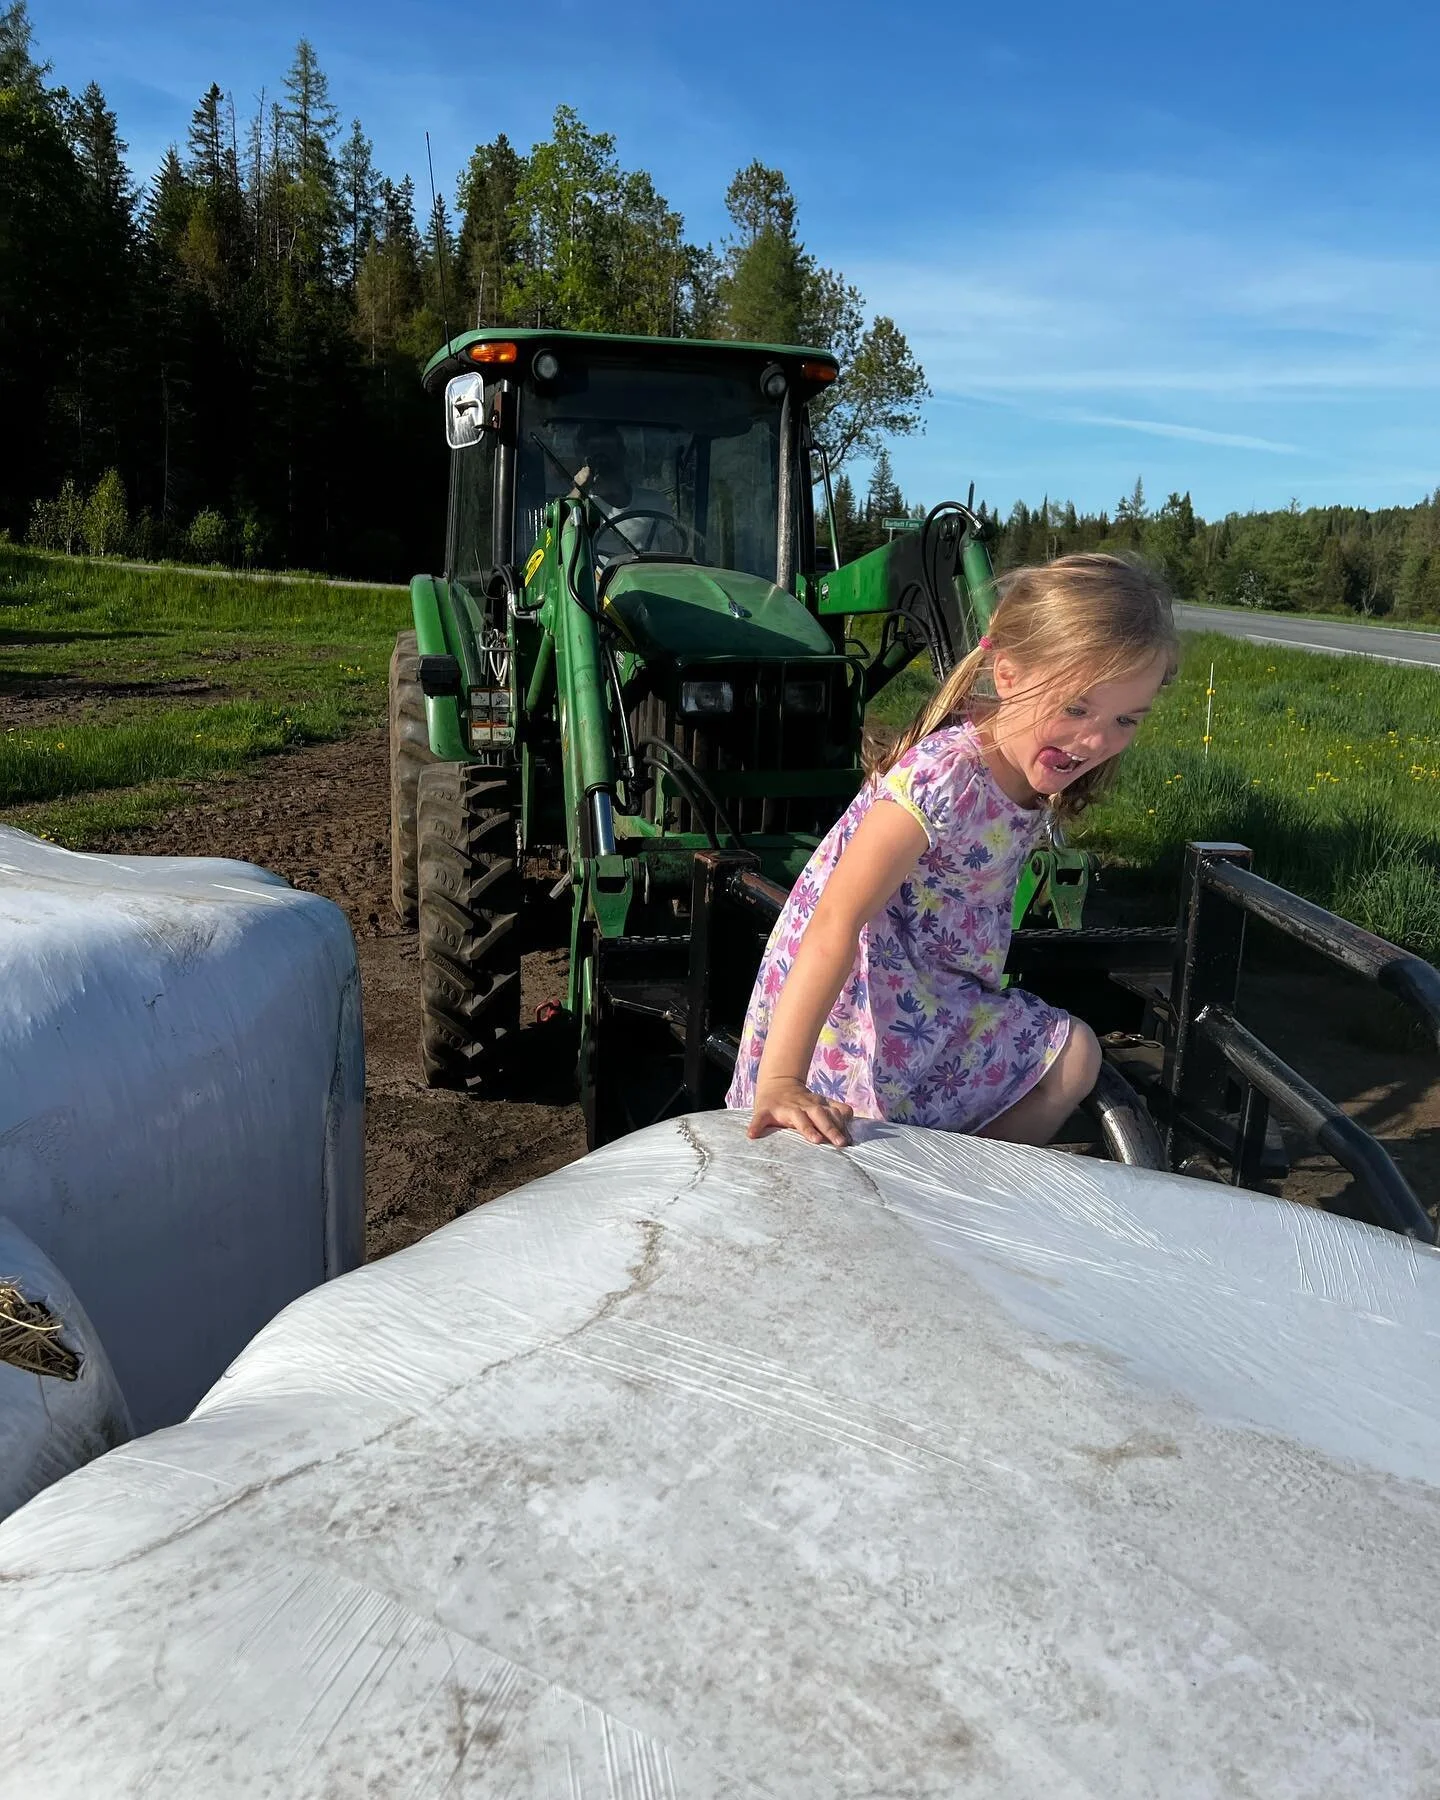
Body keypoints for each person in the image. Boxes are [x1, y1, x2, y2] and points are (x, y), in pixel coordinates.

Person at [726, 552, 1179, 1149]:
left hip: (936, 997)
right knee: (858, 1136)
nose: (1095, 740)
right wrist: (783, 1080)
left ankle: (966, 1181)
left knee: (1074, 1058)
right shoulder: (946, 777)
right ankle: (925, 1178)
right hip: (863, 1011)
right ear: (1008, 676)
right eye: (1075, 708)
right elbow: (836, 917)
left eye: (1126, 720)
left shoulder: (1031, 778)